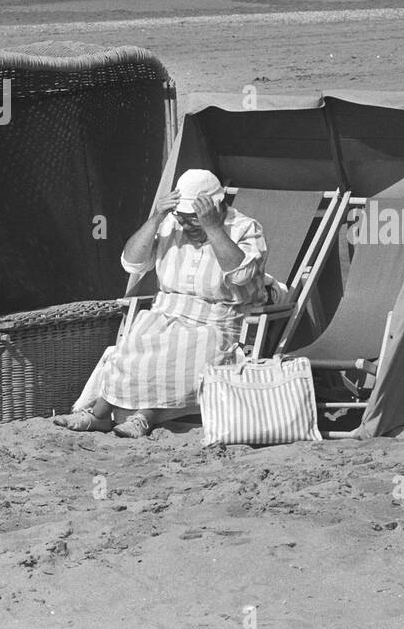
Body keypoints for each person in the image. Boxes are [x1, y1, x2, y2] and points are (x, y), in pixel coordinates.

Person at [53, 169, 272, 438]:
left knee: (176, 349)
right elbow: (131, 262)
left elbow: (241, 274)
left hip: (216, 322)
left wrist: (212, 228)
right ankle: (101, 415)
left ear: (216, 206)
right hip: (166, 313)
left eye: (194, 218)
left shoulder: (245, 228)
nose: (187, 225)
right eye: (182, 216)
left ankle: (138, 417)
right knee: (134, 343)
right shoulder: (172, 224)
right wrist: (158, 217)